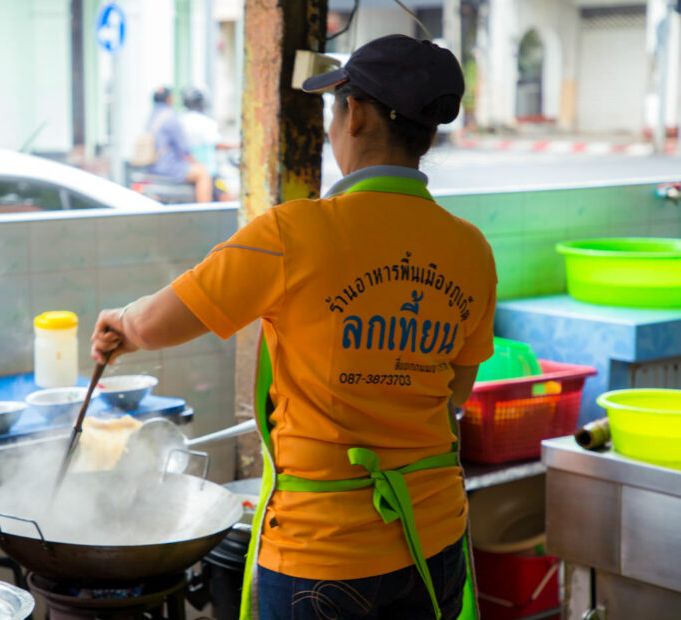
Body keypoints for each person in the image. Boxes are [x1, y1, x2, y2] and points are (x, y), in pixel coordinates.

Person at [92, 34, 496, 620]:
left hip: (322, 552)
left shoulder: (293, 233)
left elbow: (156, 325)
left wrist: (121, 323)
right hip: (433, 538)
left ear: (353, 115)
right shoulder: (471, 249)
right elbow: (454, 395)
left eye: (336, 110)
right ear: (427, 134)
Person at [144, 86, 213, 203]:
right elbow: (184, 150)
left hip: (152, 166)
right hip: (168, 166)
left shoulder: (151, 117)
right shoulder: (170, 117)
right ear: (169, 99)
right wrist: (197, 163)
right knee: (203, 174)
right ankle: (204, 211)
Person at [179, 87, 235, 201]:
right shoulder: (205, 122)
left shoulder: (180, 120)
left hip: (188, 168)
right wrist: (238, 145)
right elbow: (216, 144)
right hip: (207, 170)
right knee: (227, 198)